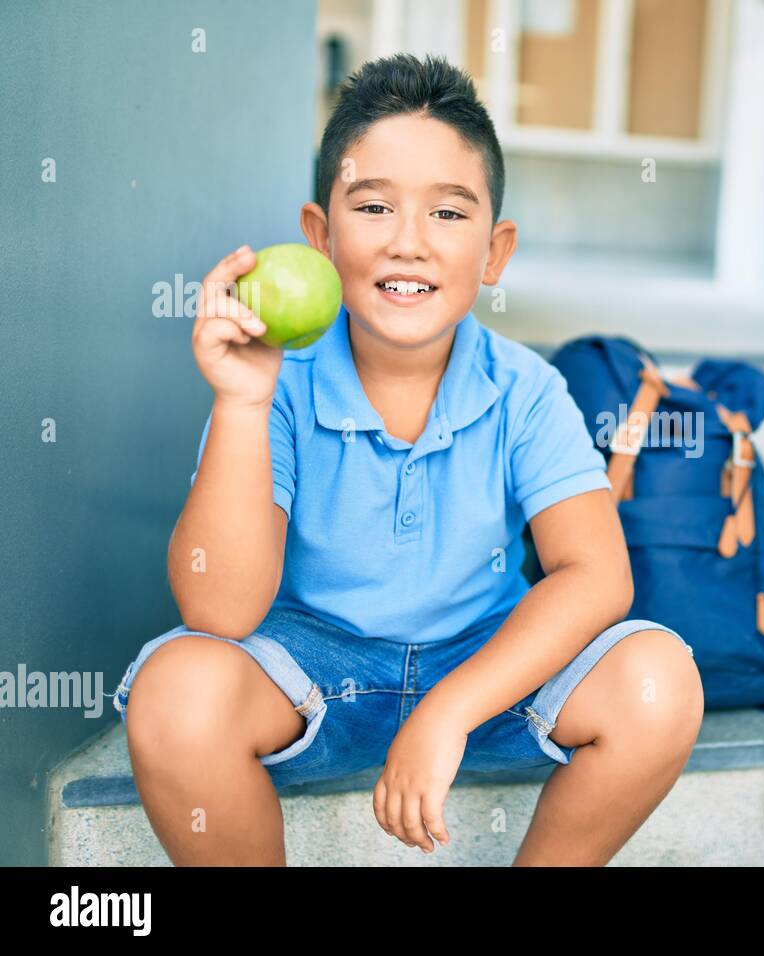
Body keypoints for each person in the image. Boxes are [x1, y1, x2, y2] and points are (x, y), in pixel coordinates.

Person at [113, 52, 703, 867]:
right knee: (174, 689)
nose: (410, 244)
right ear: (319, 237)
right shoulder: (276, 380)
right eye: (375, 206)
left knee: (659, 678)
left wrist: (449, 712)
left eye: (449, 215)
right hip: (309, 668)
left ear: (495, 254)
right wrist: (242, 401)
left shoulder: (527, 390)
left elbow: (597, 576)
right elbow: (219, 612)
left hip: (485, 667)